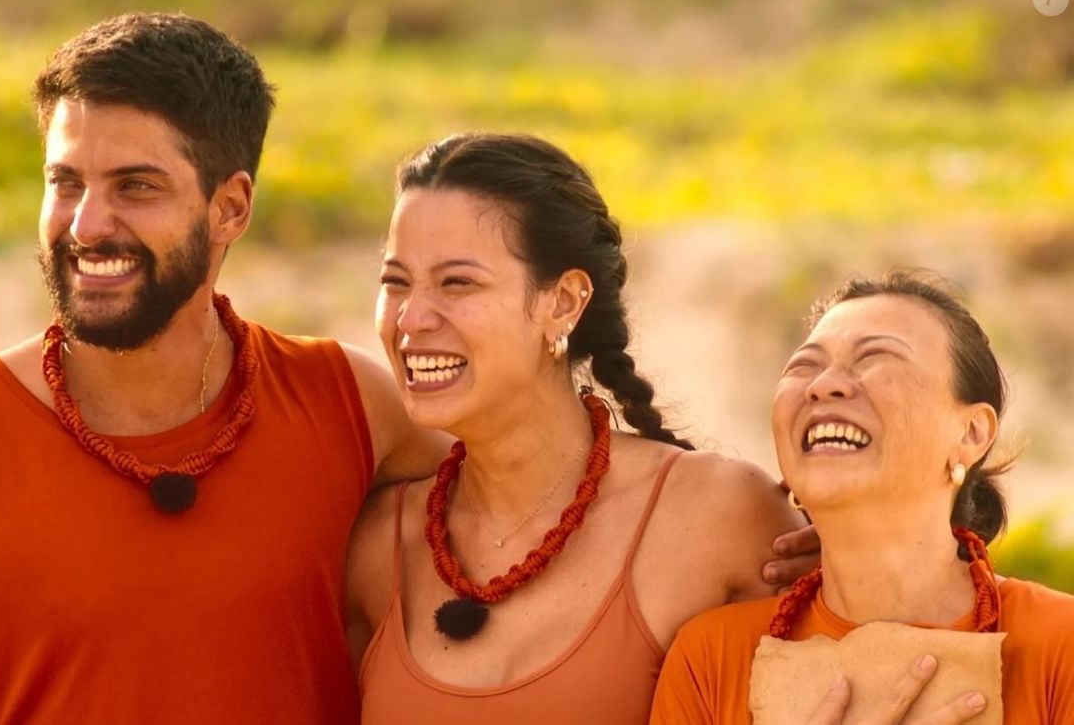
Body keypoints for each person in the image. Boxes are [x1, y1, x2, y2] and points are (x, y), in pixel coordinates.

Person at [0, 12, 450, 724]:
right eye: (66, 183)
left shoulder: (354, 408)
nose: (87, 225)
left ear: (230, 208)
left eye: (135, 186)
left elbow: (534, 514)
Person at [346, 133, 814, 724]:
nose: (411, 318)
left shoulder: (718, 520)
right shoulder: (376, 548)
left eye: (456, 282)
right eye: (395, 282)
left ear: (564, 302)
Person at [649, 272, 1074, 724]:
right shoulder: (712, 659)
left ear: (971, 433)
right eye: (804, 365)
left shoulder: (1060, 644)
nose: (822, 385)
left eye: (876, 358)